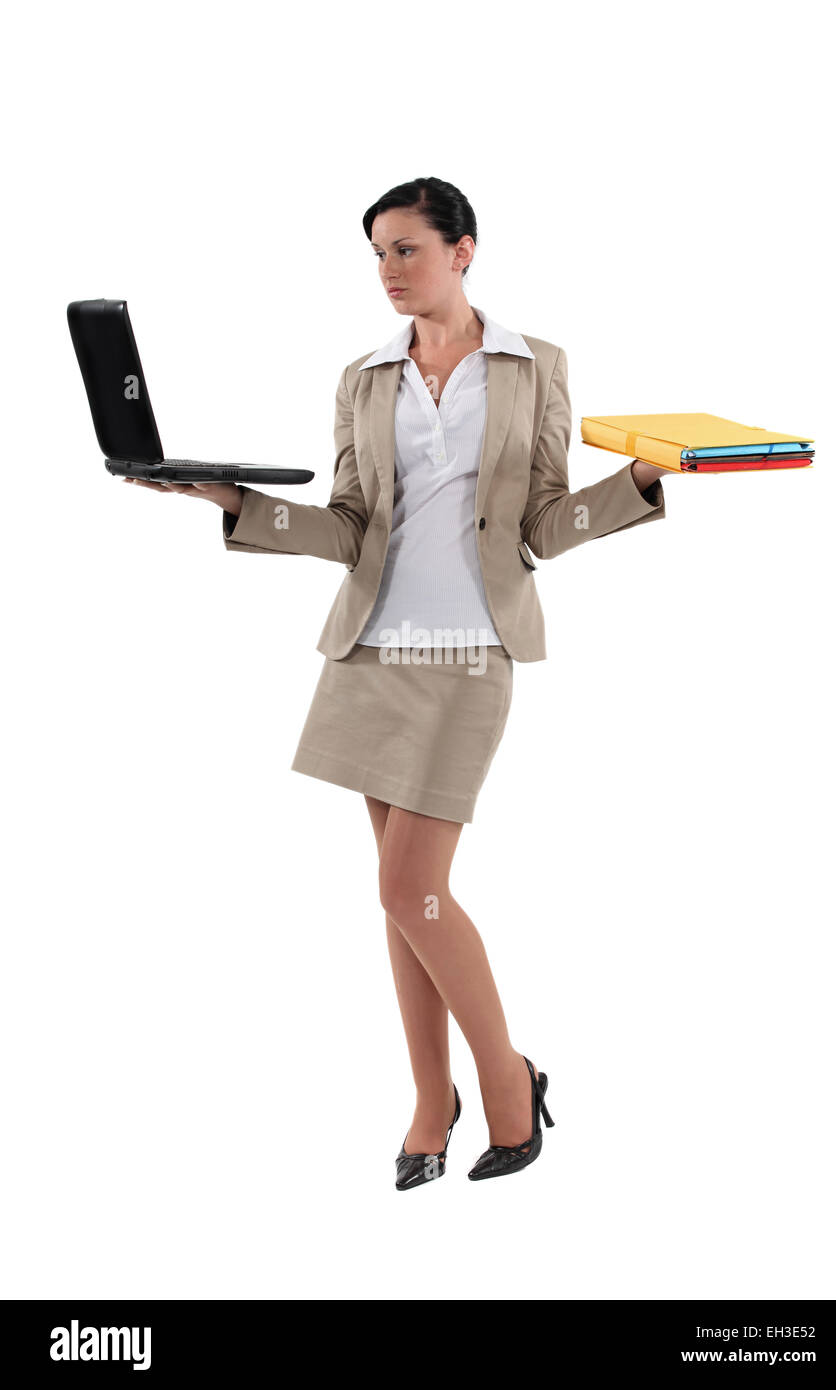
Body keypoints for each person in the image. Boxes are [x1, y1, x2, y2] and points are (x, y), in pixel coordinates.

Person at [126, 176, 671, 1188]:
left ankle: (507, 1083)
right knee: (400, 897)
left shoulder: (533, 365)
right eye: (376, 252)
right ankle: (433, 1099)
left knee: (407, 885)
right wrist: (224, 495)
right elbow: (344, 528)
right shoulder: (362, 376)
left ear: (464, 250)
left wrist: (634, 487)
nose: (387, 270)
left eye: (406, 249)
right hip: (371, 649)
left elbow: (544, 526)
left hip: (468, 652)